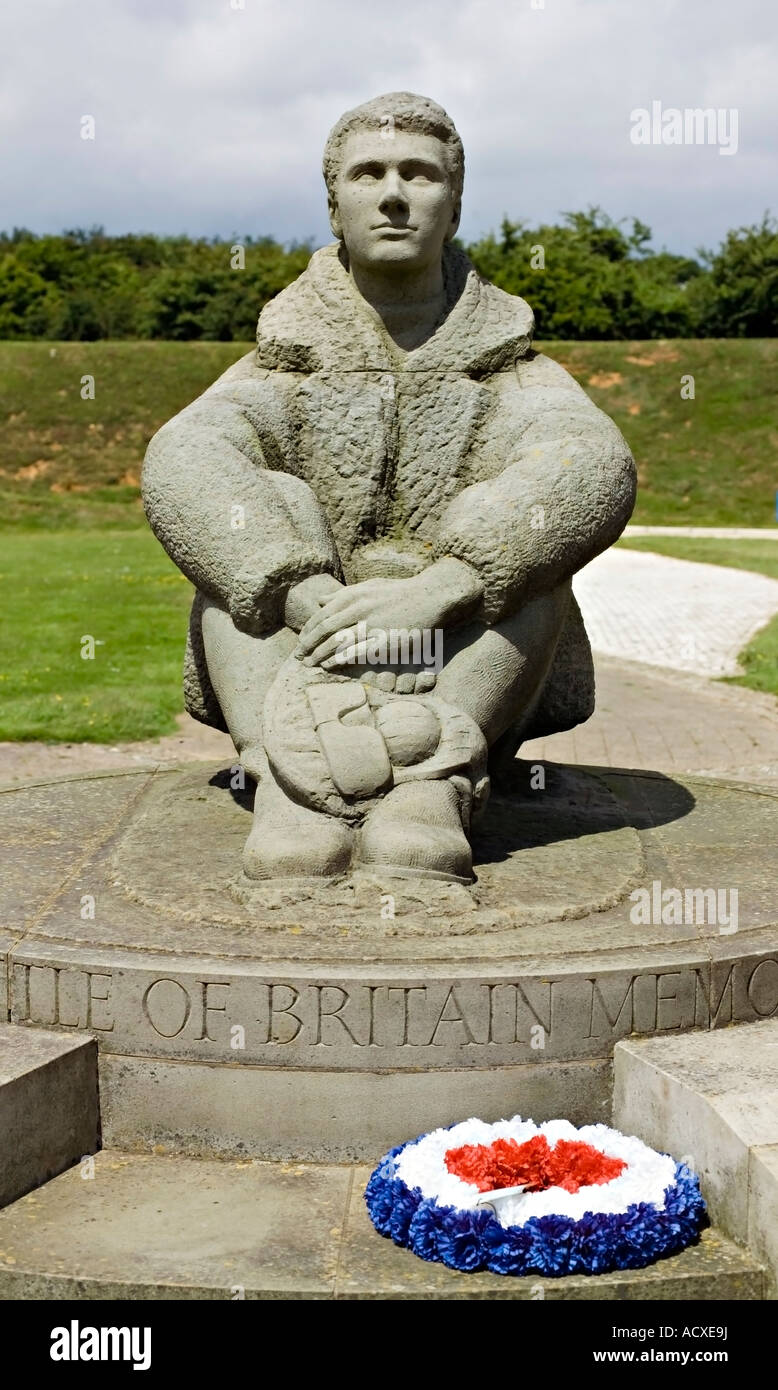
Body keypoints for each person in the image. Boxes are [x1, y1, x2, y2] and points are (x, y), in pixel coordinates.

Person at [142, 92, 636, 885]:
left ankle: (432, 783)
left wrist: (444, 588)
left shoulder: (510, 368)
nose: (395, 193)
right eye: (368, 173)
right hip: (310, 645)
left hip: (457, 653)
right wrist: (308, 597)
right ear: (334, 205)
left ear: (456, 203)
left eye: (421, 173)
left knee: (518, 545)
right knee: (257, 523)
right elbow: (184, 459)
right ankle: (290, 779)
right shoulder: (282, 364)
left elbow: (590, 463)